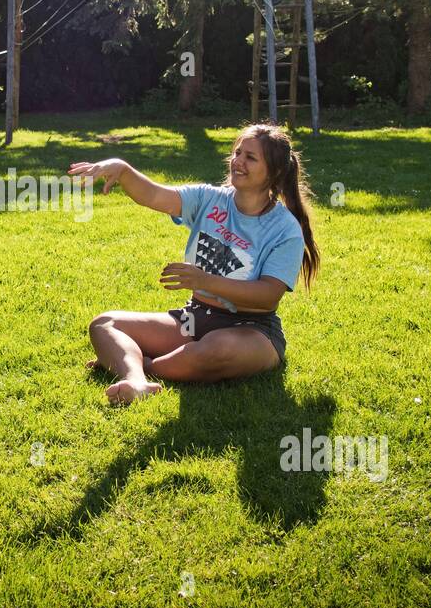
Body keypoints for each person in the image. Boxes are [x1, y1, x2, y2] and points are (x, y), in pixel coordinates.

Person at [71, 122, 320, 405]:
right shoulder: (209, 199)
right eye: (238, 153)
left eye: (250, 157)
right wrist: (122, 168)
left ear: (273, 172)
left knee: (217, 349)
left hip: (251, 328)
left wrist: (204, 281)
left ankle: (144, 364)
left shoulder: (284, 229)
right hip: (195, 318)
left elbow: (267, 297)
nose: (238, 161)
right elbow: (155, 195)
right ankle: (137, 380)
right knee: (105, 324)